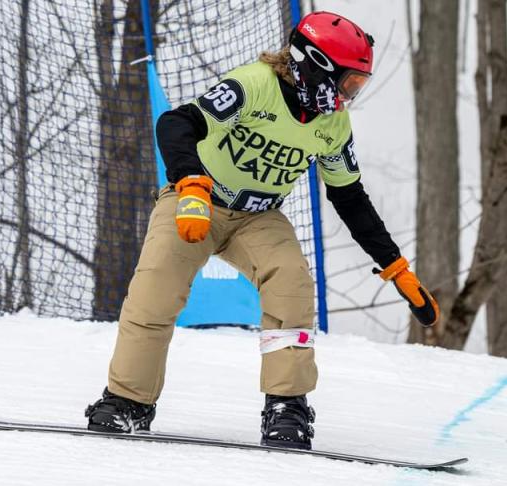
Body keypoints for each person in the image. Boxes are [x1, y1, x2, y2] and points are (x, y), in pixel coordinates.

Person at [84, 11, 440, 450]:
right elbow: (176, 123)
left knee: (291, 283)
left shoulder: (332, 125)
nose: (349, 97)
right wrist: (191, 182)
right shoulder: (253, 85)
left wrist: (394, 265)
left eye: (357, 87)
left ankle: (286, 408)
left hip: (259, 216)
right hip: (197, 200)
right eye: (348, 83)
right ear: (316, 66)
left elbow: (349, 197)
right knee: (155, 289)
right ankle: (127, 402)